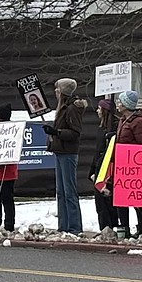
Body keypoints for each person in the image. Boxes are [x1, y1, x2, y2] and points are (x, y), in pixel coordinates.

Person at [41, 77, 86, 235]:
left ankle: (74, 226)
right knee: (61, 191)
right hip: (60, 151)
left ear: (63, 91)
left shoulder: (72, 108)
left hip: (68, 152)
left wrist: (56, 132)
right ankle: (64, 225)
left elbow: (75, 132)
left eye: (57, 89)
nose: (55, 91)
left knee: (69, 191)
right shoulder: (63, 107)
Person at [113, 91, 142, 238]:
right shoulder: (124, 120)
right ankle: (125, 229)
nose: (117, 104)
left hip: (134, 166)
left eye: (120, 102)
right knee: (122, 197)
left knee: (138, 200)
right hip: (123, 164)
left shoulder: (138, 122)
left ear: (127, 105)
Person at [90, 99, 118, 231]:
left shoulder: (115, 126)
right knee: (99, 202)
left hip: (109, 167)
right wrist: (92, 169)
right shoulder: (101, 128)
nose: (97, 111)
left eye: (99, 109)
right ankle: (104, 228)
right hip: (99, 167)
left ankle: (112, 226)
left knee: (108, 201)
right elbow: (97, 150)